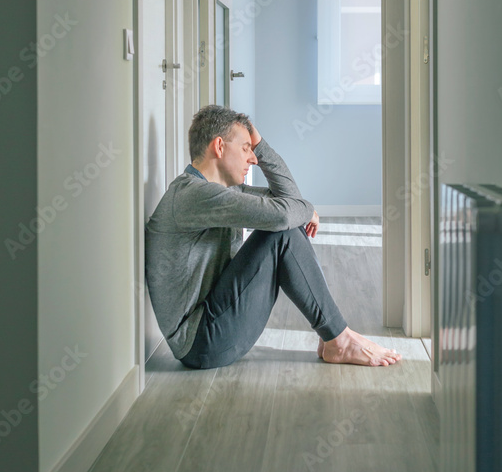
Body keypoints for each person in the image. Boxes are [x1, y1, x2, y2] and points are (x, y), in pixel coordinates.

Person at [145, 105, 402, 370]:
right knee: (281, 233)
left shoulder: (219, 192)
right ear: (219, 147)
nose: (253, 158)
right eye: (246, 148)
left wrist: (260, 144)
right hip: (201, 343)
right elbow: (284, 216)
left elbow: (289, 202)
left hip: (214, 327)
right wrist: (306, 210)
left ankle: (334, 336)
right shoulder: (194, 195)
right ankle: (339, 338)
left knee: (285, 225)